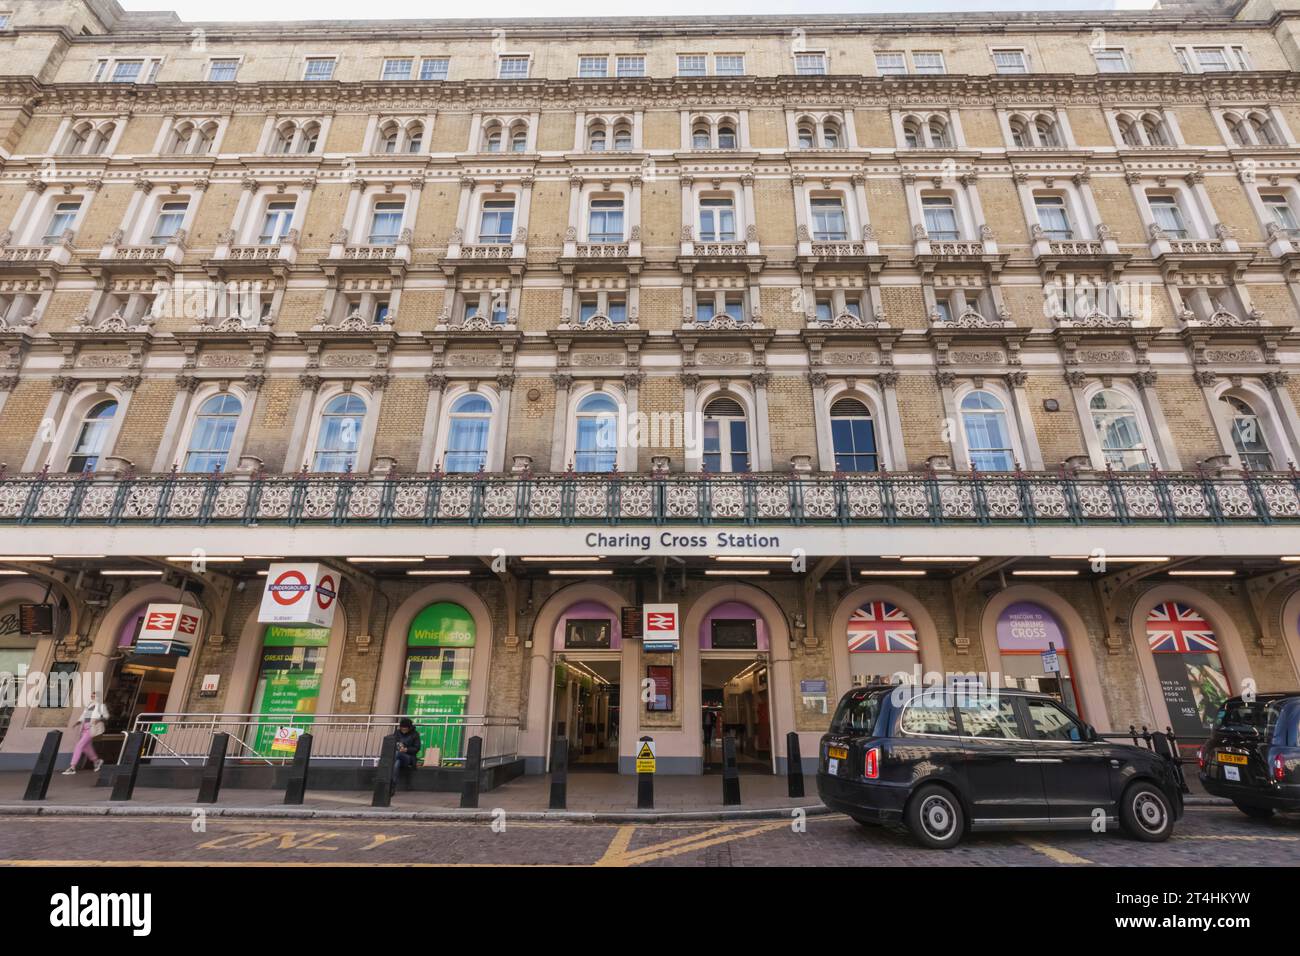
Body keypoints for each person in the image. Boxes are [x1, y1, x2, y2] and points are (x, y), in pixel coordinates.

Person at [62, 692, 109, 776]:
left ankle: (72, 767)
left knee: (79, 745)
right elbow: (84, 715)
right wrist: (78, 722)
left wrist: (98, 719)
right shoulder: (89, 705)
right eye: (92, 696)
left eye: (94, 696)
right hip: (84, 728)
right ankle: (97, 761)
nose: (92, 697)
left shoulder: (101, 706)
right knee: (86, 747)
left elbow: (106, 716)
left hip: (91, 728)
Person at [390, 718, 422, 791]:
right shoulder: (397, 733)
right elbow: (392, 743)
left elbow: (417, 748)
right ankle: (392, 786)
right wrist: (397, 745)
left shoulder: (415, 734)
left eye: (405, 729)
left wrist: (406, 749)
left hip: (409, 758)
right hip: (398, 757)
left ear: (409, 728)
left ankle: (387, 765)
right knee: (397, 763)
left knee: (397, 754)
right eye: (402, 728)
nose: (403, 730)